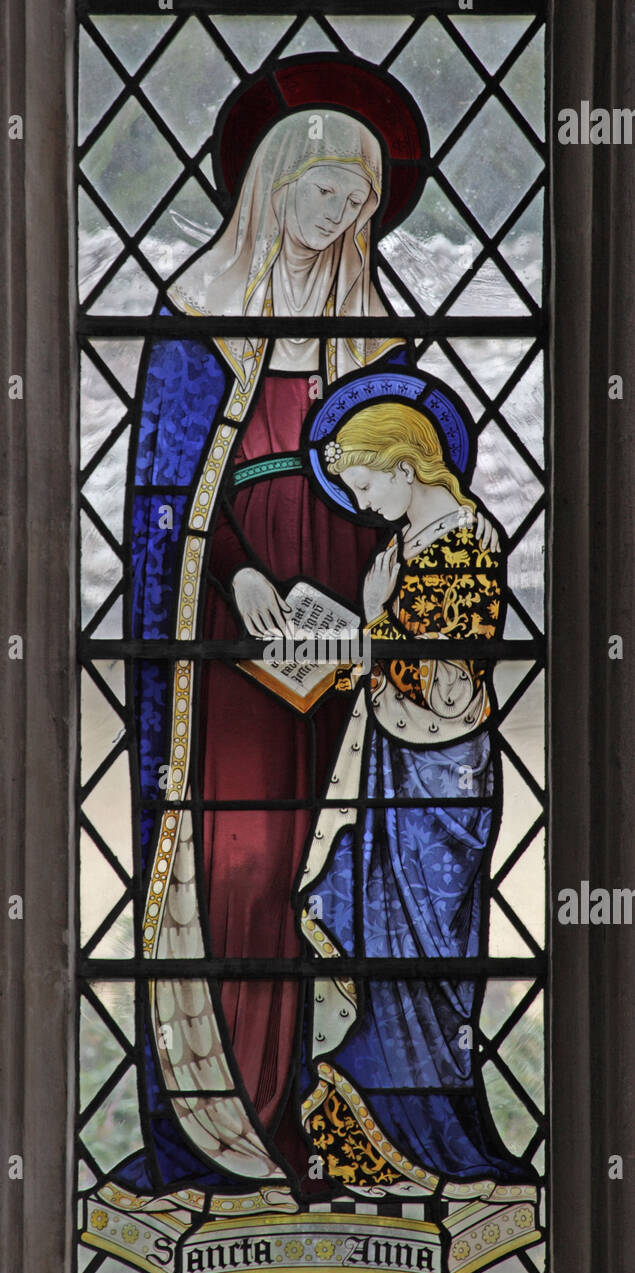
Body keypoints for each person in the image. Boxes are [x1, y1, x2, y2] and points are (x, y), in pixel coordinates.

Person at [122, 110, 498, 1197]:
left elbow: (417, 508)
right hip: (233, 639)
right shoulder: (197, 320)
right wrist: (237, 581)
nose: (336, 215)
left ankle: (343, 1125)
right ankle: (230, 1132)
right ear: (271, 185)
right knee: (237, 866)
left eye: (356, 200)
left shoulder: (370, 335)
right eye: (322, 188)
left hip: (350, 640)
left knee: (328, 873)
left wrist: (370, 608)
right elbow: (165, 505)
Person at [297, 400, 539, 1236]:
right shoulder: (402, 545)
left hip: (441, 778)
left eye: (364, 484)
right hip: (387, 766)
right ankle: (384, 1149)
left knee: (426, 963)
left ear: (405, 466)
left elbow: (444, 681)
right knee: (374, 950)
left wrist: (356, 644)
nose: (359, 503)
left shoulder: (469, 545)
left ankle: (436, 1147)